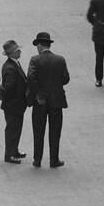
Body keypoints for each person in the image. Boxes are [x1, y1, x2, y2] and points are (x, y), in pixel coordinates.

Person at [26, 31, 69, 168]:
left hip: (40, 101)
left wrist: (39, 93)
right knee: (55, 131)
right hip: (56, 100)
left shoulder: (35, 60)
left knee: (38, 130)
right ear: (49, 45)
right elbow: (66, 79)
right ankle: (54, 160)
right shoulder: (60, 60)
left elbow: (31, 78)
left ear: (39, 45)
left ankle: (37, 159)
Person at [0, 39, 29, 163]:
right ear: (11, 53)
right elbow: (9, 88)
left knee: (16, 128)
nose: (20, 51)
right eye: (17, 50)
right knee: (12, 129)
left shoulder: (13, 64)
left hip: (15, 104)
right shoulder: (11, 68)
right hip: (13, 105)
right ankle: (9, 154)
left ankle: (14, 150)